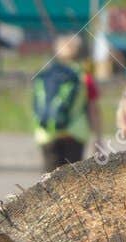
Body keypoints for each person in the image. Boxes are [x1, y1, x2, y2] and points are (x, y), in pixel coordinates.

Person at [32, 35, 100, 172]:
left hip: (47, 133)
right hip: (75, 133)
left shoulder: (44, 75)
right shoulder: (84, 77)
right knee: (73, 183)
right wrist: (98, 137)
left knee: (49, 180)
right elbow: (93, 109)